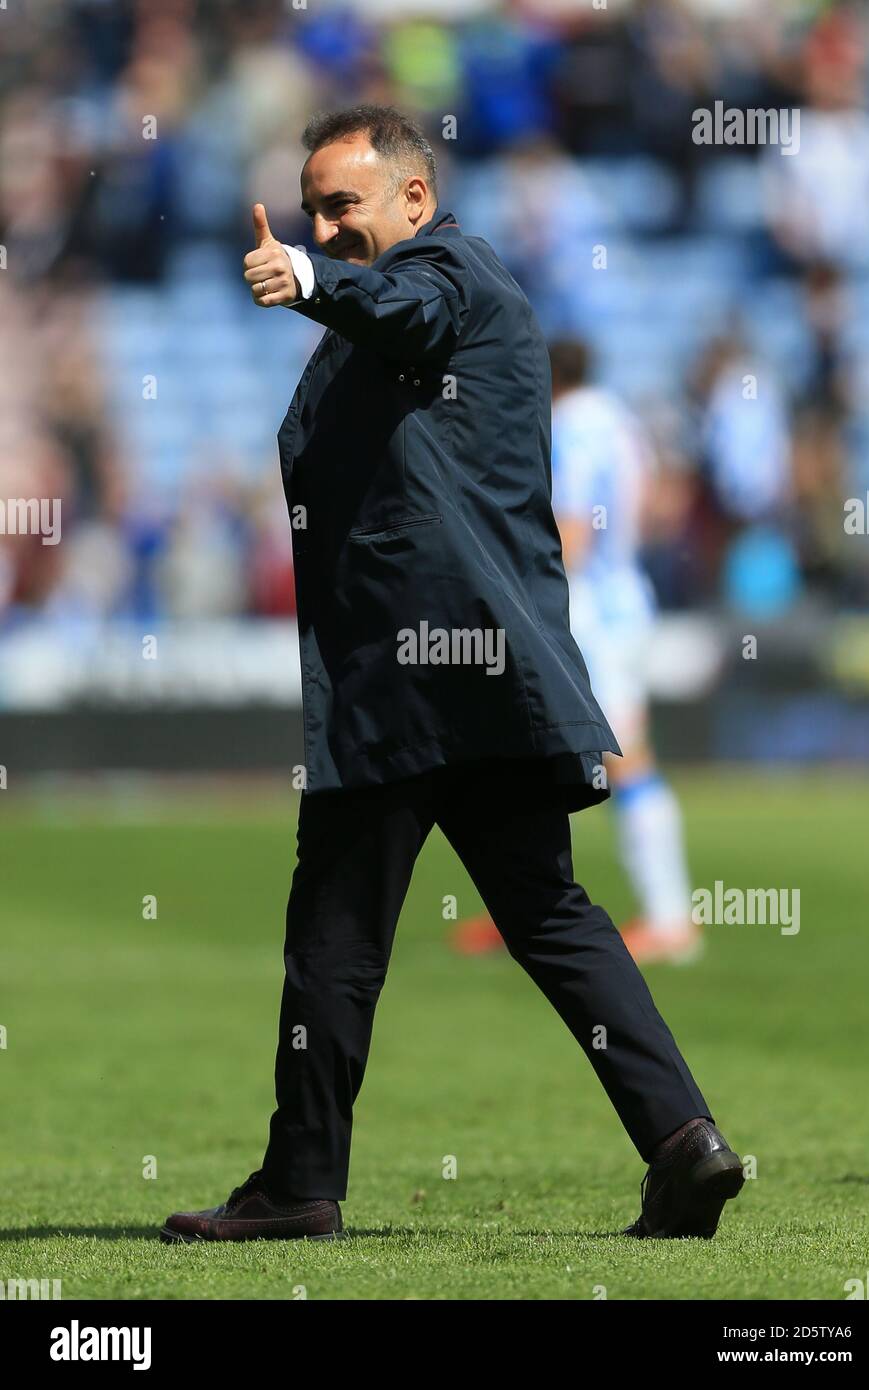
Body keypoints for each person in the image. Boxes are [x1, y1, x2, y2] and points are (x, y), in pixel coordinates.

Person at [160, 105, 743, 1245]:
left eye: (345, 205)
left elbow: (401, 307)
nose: (327, 228)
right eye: (313, 209)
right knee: (552, 915)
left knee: (333, 933)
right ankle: (684, 1143)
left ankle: (297, 1184)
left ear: (414, 200)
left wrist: (310, 281)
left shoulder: (444, 275)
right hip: (494, 676)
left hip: (405, 678)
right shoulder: (437, 302)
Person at [452, 339, 701, 965]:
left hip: (590, 611)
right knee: (535, 752)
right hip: (624, 599)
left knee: (625, 757)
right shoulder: (622, 422)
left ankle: (672, 919)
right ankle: (523, 906)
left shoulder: (570, 429)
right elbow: (652, 510)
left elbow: (573, 532)